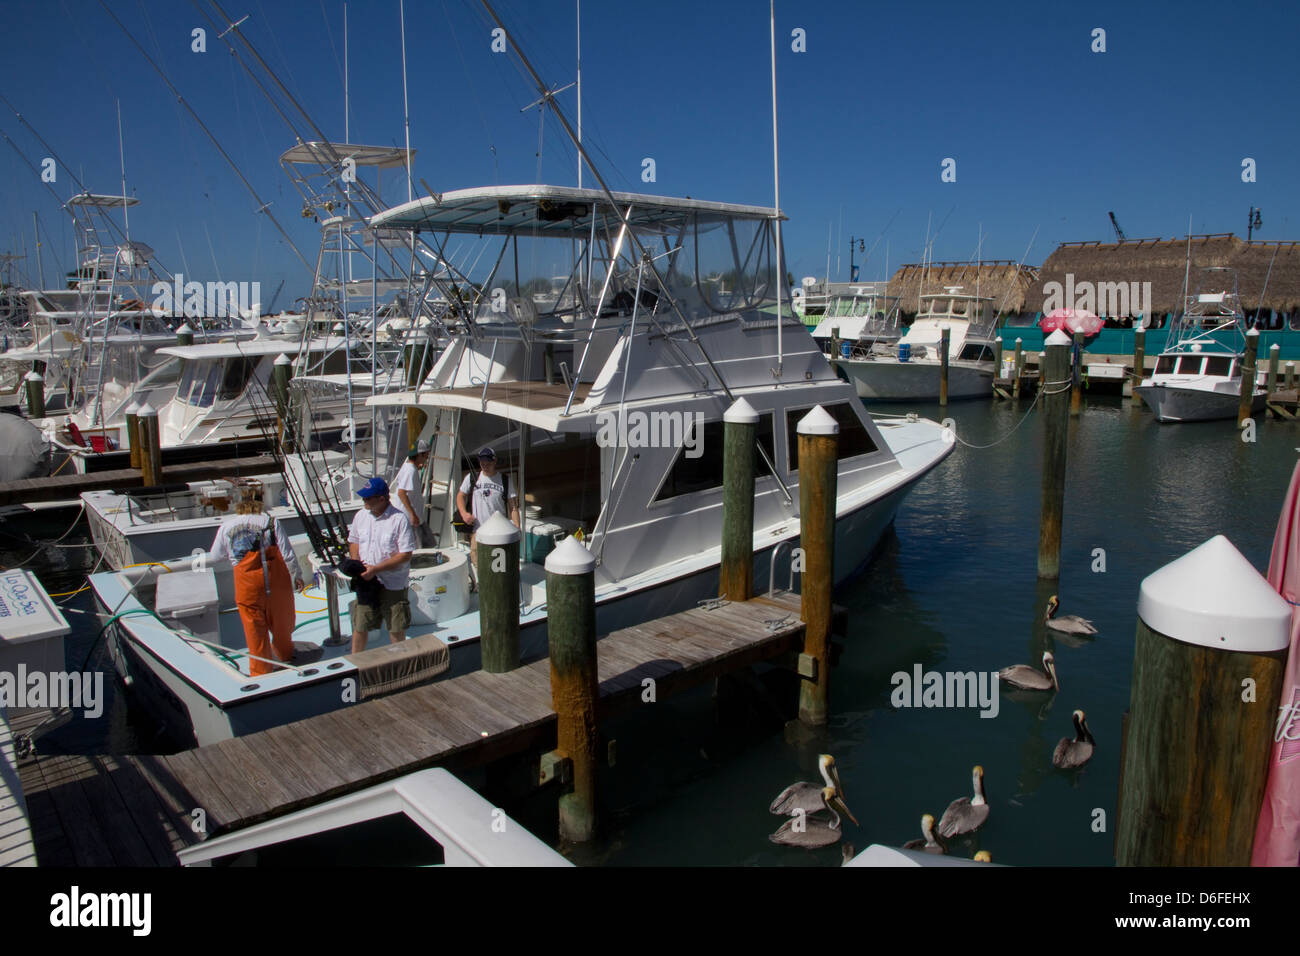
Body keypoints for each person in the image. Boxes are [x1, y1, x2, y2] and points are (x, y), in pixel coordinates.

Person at [210, 492, 304, 677]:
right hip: (276, 583)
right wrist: (297, 575)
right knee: (282, 625)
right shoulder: (271, 522)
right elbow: (287, 554)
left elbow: (215, 557)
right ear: (259, 504)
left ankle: (261, 671)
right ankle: (285, 657)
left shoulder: (226, 526)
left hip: (247, 586)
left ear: (239, 506)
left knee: (254, 629)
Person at [347, 476, 416, 653]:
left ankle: (402, 663)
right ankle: (356, 663)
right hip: (367, 582)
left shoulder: (399, 519)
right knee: (360, 625)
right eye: (364, 497)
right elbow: (353, 541)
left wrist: (377, 569)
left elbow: (405, 554)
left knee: (396, 627)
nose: (364, 501)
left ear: (382, 498)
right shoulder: (360, 516)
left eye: (368, 498)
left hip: (392, 583)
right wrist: (357, 564)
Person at [455, 446, 520, 565]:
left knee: (498, 566)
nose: (485, 465)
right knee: (478, 562)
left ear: (494, 461)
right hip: (477, 531)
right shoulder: (471, 478)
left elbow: (513, 507)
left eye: (488, 462)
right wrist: (464, 514)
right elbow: (460, 496)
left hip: (499, 533)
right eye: (482, 462)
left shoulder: (505, 480)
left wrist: (517, 527)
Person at [393, 438, 435, 548]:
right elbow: (401, 493)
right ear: (420, 455)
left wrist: (419, 467)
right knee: (419, 549)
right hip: (411, 520)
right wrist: (412, 514)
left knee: (429, 545)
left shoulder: (408, 467)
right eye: (426, 455)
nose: (427, 457)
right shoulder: (410, 471)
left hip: (416, 519)